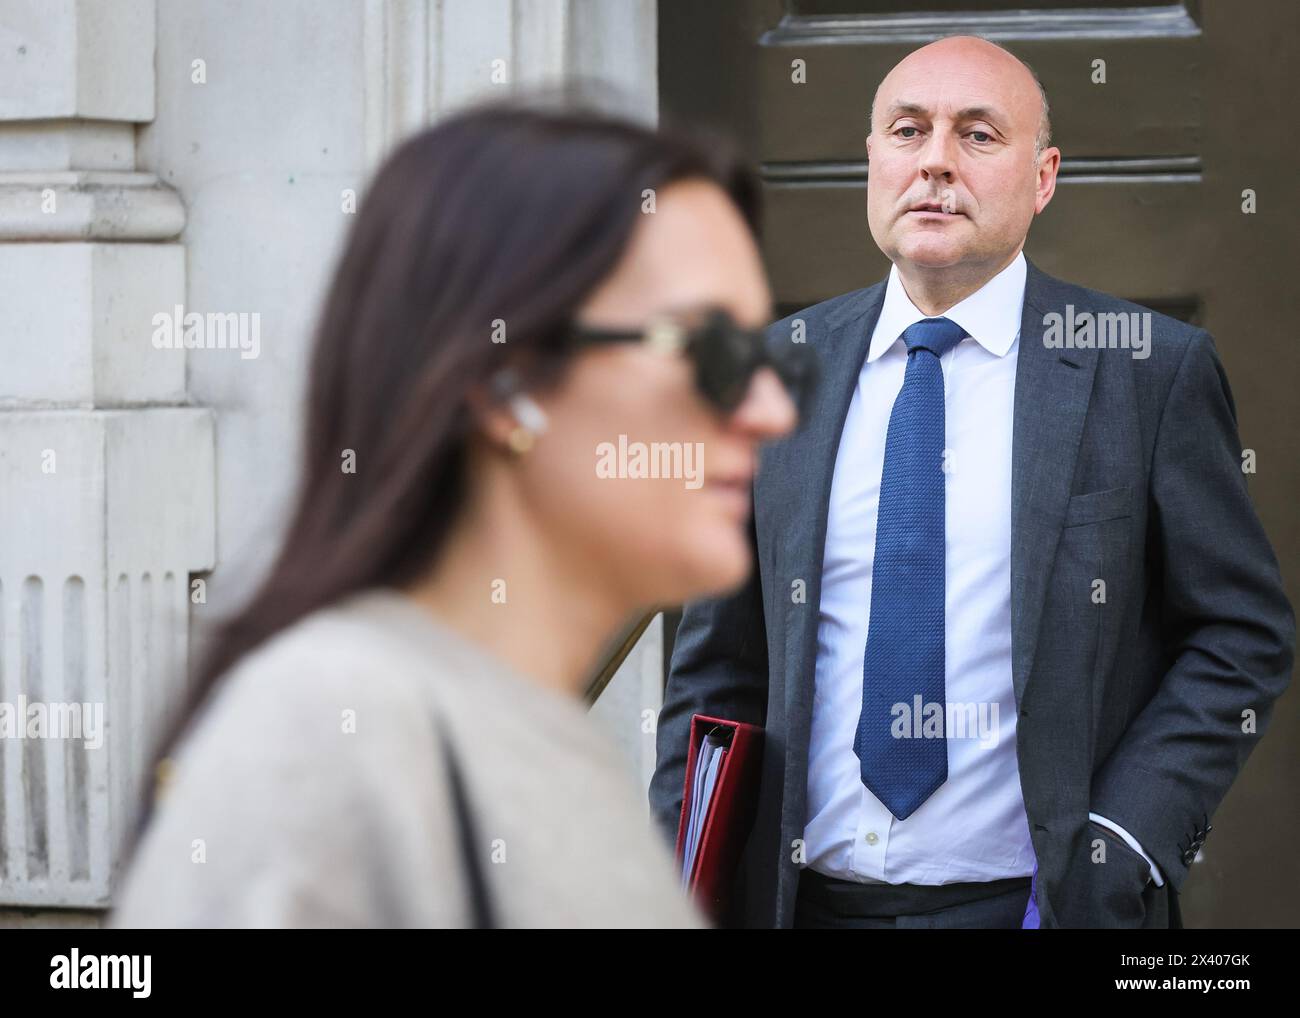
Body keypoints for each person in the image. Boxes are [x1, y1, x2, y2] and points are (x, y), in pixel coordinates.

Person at [111, 95, 804, 928]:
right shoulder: (331, 738)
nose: (769, 408)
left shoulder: (537, 740)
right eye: (704, 346)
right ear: (506, 385)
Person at [650, 35, 1295, 929]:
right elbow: (717, 668)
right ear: (872, 161)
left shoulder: (1148, 371)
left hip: (1042, 910)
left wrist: (1124, 841)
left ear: (1043, 177)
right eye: (907, 131)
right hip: (803, 905)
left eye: (980, 136)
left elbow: (1241, 634)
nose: (936, 163)